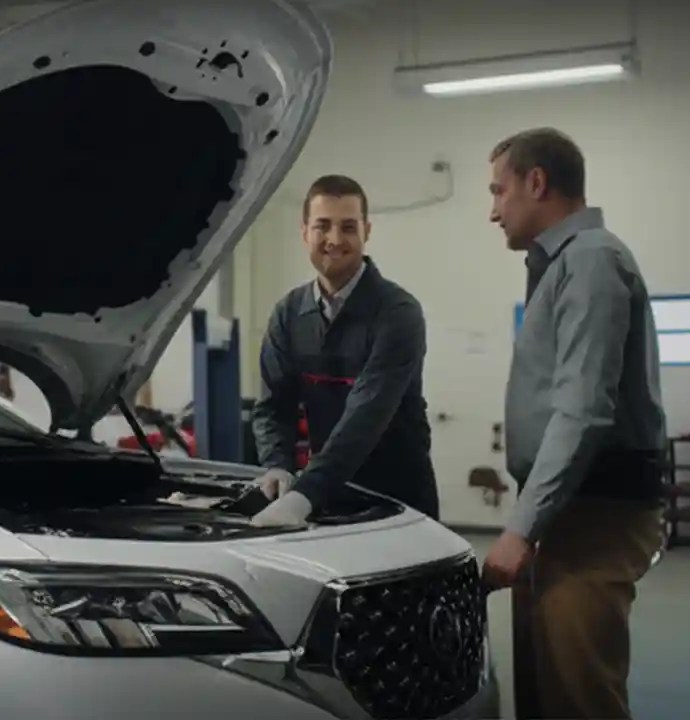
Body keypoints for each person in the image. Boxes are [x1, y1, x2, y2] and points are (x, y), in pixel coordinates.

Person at [479, 127, 667, 719]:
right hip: (564, 513)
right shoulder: (560, 265)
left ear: (537, 182)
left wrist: (522, 527)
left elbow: (584, 408)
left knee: (579, 698)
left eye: (498, 191)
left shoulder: (591, 261)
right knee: (544, 693)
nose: (493, 211)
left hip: (593, 516)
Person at [249, 174, 439, 527]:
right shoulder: (289, 314)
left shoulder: (398, 313)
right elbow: (274, 406)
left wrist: (303, 496)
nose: (335, 240)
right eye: (323, 226)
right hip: (328, 498)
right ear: (304, 231)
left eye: (348, 227)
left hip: (399, 503)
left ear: (367, 231)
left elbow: (366, 416)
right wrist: (277, 465)